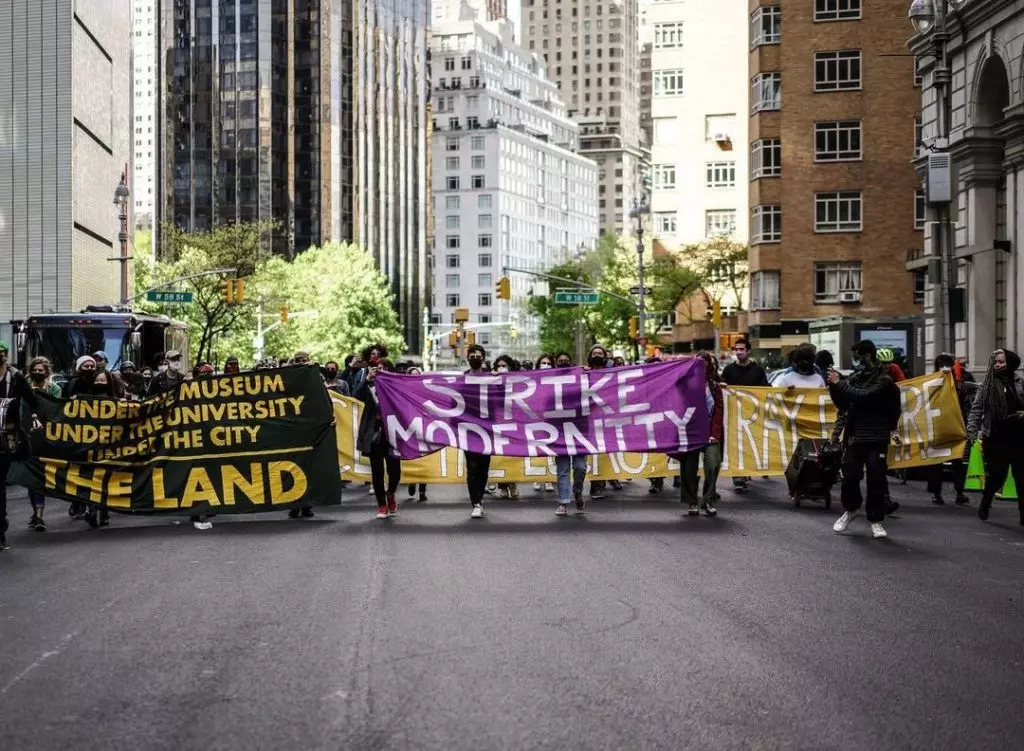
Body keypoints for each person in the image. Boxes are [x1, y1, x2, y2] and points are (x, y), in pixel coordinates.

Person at [828, 340, 902, 539]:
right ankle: (851, 510)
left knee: (876, 478)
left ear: (868, 356)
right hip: (854, 436)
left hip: (876, 435)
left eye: (857, 357)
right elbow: (843, 402)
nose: (855, 362)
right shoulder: (856, 378)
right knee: (850, 476)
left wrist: (839, 383)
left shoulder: (884, 381)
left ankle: (876, 520)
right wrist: (833, 386)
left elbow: (863, 396)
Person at [966, 349, 1024, 526]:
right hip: (996, 436)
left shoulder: (1020, 383)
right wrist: (972, 431)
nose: (998, 365)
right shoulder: (987, 385)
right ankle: (986, 502)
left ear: (1012, 364)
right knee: (996, 477)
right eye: (996, 362)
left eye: (1002, 362)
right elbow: (977, 409)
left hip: (1019, 436)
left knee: (1021, 478)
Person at [926, 354, 977, 506]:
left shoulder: (961, 381)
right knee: (936, 461)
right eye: (941, 364)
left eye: (947, 364)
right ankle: (936, 493)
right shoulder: (932, 381)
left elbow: (968, 399)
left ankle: (959, 492)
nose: (944, 367)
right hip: (939, 425)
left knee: (957, 461)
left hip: (956, 425)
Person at [679, 352, 724, 517]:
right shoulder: (686, 385)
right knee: (689, 468)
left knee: (713, 464)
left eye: (705, 364)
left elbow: (719, 412)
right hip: (691, 433)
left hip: (710, 434)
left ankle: (708, 500)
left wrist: (715, 434)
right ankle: (692, 502)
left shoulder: (715, 387)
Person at [356, 354, 401, 518]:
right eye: (378, 369)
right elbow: (356, 396)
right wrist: (367, 378)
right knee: (377, 471)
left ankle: (391, 493)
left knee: (395, 471)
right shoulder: (369, 385)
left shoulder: (397, 385)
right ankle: (382, 505)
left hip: (392, 432)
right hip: (374, 432)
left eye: (384, 368)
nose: (380, 371)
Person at [721, 338, 768, 491]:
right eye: (736, 349)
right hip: (734, 416)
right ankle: (738, 477)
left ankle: (746, 470)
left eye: (741, 349)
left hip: (753, 417)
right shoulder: (728, 370)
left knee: (750, 445)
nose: (739, 352)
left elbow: (767, 390)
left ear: (748, 351)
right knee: (735, 445)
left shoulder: (758, 370)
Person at [25, 357, 61, 531]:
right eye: (35, 370)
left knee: (40, 476)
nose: (38, 373)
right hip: (28, 438)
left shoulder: (54, 389)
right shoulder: (24, 388)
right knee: (31, 476)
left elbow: (56, 410)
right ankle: (37, 513)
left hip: (47, 438)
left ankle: (38, 514)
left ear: (47, 372)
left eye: (41, 370)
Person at [464, 344, 490, 518]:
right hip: (467, 429)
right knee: (472, 466)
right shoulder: (462, 379)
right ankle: (476, 503)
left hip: (488, 429)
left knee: (483, 466)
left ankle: (480, 497)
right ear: (467, 358)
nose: (475, 358)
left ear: (483, 358)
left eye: (478, 355)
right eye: (472, 355)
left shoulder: (491, 378)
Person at [585, 344, 612, 500]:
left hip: (607, 419)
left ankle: (599, 484)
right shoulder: (583, 373)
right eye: (594, 352)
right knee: (592, 453)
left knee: (603, 452)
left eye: (600, 353)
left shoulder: (612, 373)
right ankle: (592, 485)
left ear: (604, 356)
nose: (597, 355)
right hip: (588, 419)